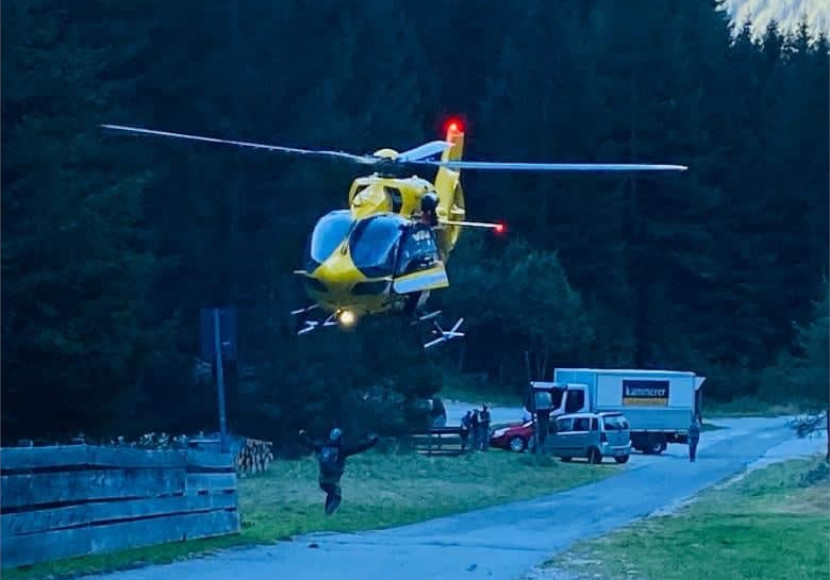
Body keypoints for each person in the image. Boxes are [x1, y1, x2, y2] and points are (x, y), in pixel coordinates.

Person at [298, 427, 378, 515]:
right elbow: (358, 448)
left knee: (331, 493)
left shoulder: (322, 447)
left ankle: (327, 513)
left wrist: (303, 435)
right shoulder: (341, 450)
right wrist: (371, 443)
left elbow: (310, 444)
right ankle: (329, 514)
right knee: (337, 496)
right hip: (332, 480)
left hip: (322, 480)